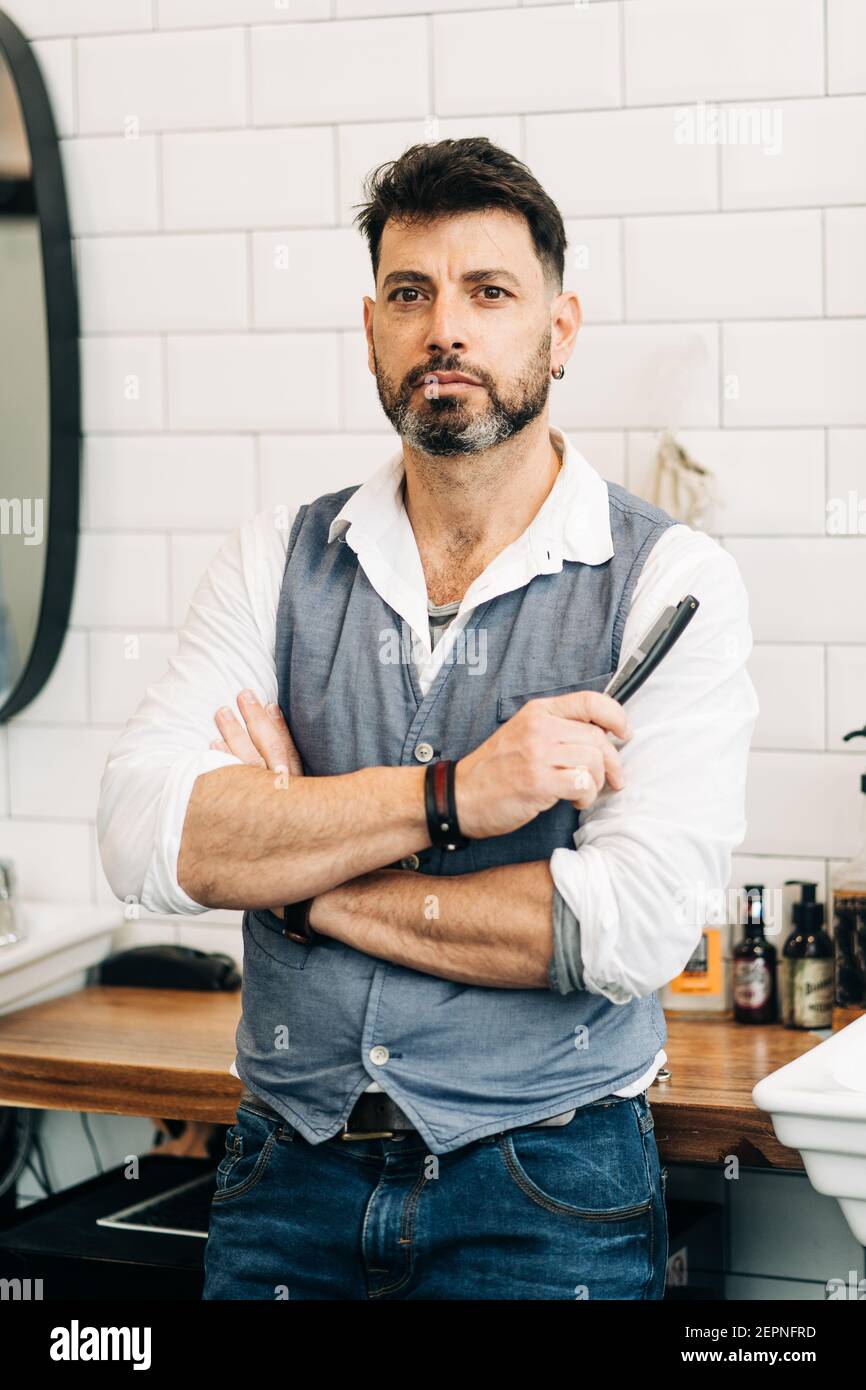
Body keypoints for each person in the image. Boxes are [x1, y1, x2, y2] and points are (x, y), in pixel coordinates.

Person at [97, 137, 758, 1300]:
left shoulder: (668, 582)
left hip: (543, 1190)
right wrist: (450, 797)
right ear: (371, 330)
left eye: (487, 292)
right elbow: (146, 832)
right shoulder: (275, 559)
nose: (443, 328)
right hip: (286, 1176)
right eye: (410, 294)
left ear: (558, 332)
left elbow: (628, 925)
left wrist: (301, 882)